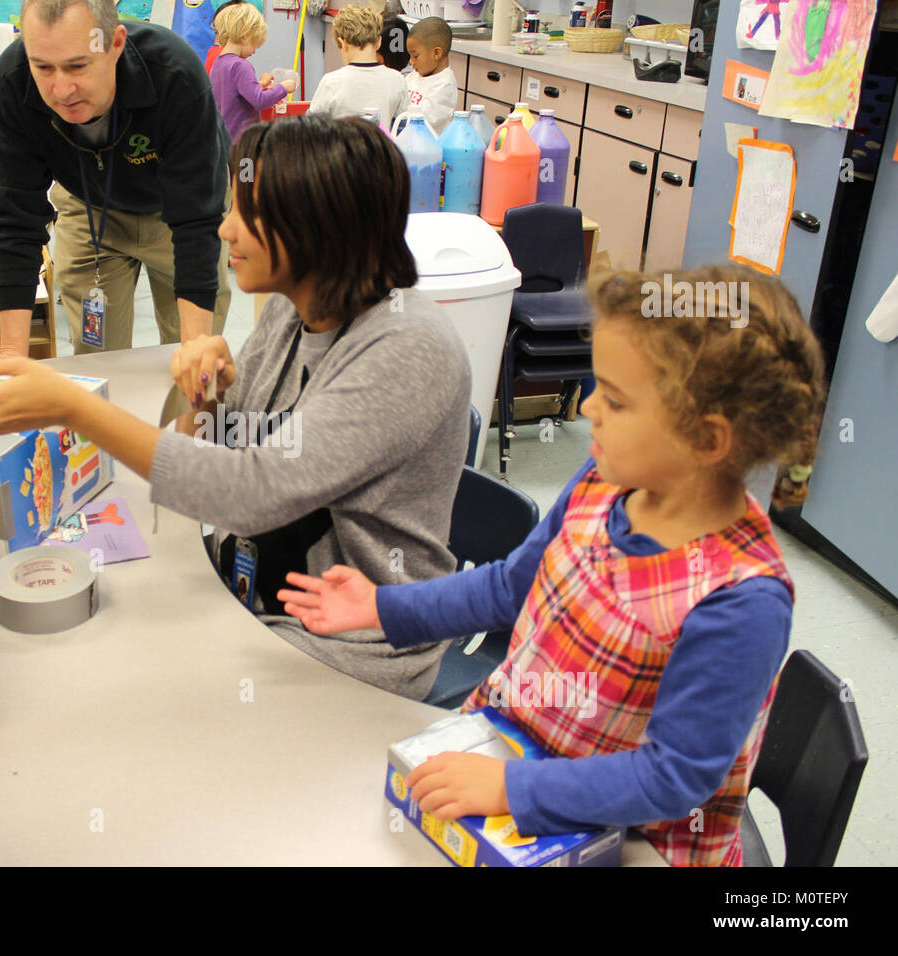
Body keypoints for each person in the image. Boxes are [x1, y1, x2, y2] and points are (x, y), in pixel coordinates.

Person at [278, 266, 828, 865]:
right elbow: (511, 587)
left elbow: (671, 780)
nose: (588, 406)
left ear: (708, 440)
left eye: (615, 400)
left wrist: (513, 790)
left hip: (634, 839)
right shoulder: (603, 482)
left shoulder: (740, 599)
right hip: (518, 748)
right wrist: (381, 607)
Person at [0, 116, 471, 700]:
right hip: (256, 593)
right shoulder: (298, 307)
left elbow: (248, 494)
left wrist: (73, 409)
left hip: (352, 647)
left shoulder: (410, 347)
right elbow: (217, 450)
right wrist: (204, 397)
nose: (225, 229)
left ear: (312, 225)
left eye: (245, 214)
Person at [0, 0, 232, 355]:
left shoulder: (174, 73)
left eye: (78, 65)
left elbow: (196, 221)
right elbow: (15, 220)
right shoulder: (13, 81)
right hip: (89, 207)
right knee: (96, 351)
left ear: (116, 44)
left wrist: (196, 359)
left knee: (189, 353)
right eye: (44, 68)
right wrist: (10, 354)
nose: (61, 89)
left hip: (180, 208)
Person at [309, 5, 408, 127]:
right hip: (380, 145)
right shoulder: (397, 80)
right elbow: (403, 128)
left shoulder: (331, 82)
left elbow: (311, 130)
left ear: (342, 43)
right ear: (379, 42)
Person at [210, 3, 295, 143]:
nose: (254, 51)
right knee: (247, 166)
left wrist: (261, 86)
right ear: (245, 35)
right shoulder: (241, 66)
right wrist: (284, 88)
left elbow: (235, 95)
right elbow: (259, 100)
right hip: (242, 143)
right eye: (254, 44)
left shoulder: (218, 64)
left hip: (223, 141)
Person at [406, 17, 458, 136]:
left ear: (436, 53)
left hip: (429, 149)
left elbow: (424, 118)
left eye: (415, 56)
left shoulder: (445, 85)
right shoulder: (413, 76)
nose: (411, 61)